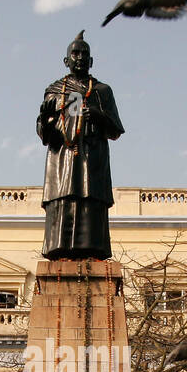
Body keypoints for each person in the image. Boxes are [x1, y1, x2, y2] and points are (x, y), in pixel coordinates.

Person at [36, 31, 124, 260]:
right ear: (66, 60)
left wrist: (96, 113)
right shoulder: (55, 91)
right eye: (75, 53)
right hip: (63, 156)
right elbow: (43, 131)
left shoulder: (102, 91)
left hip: (92, 155)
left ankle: (91, 250)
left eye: (84, 54)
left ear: (91, 60)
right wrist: (46, 120)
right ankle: (60, 250)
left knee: (90, 198)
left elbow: (115, 130)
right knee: (64, 197)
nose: (80, 57)